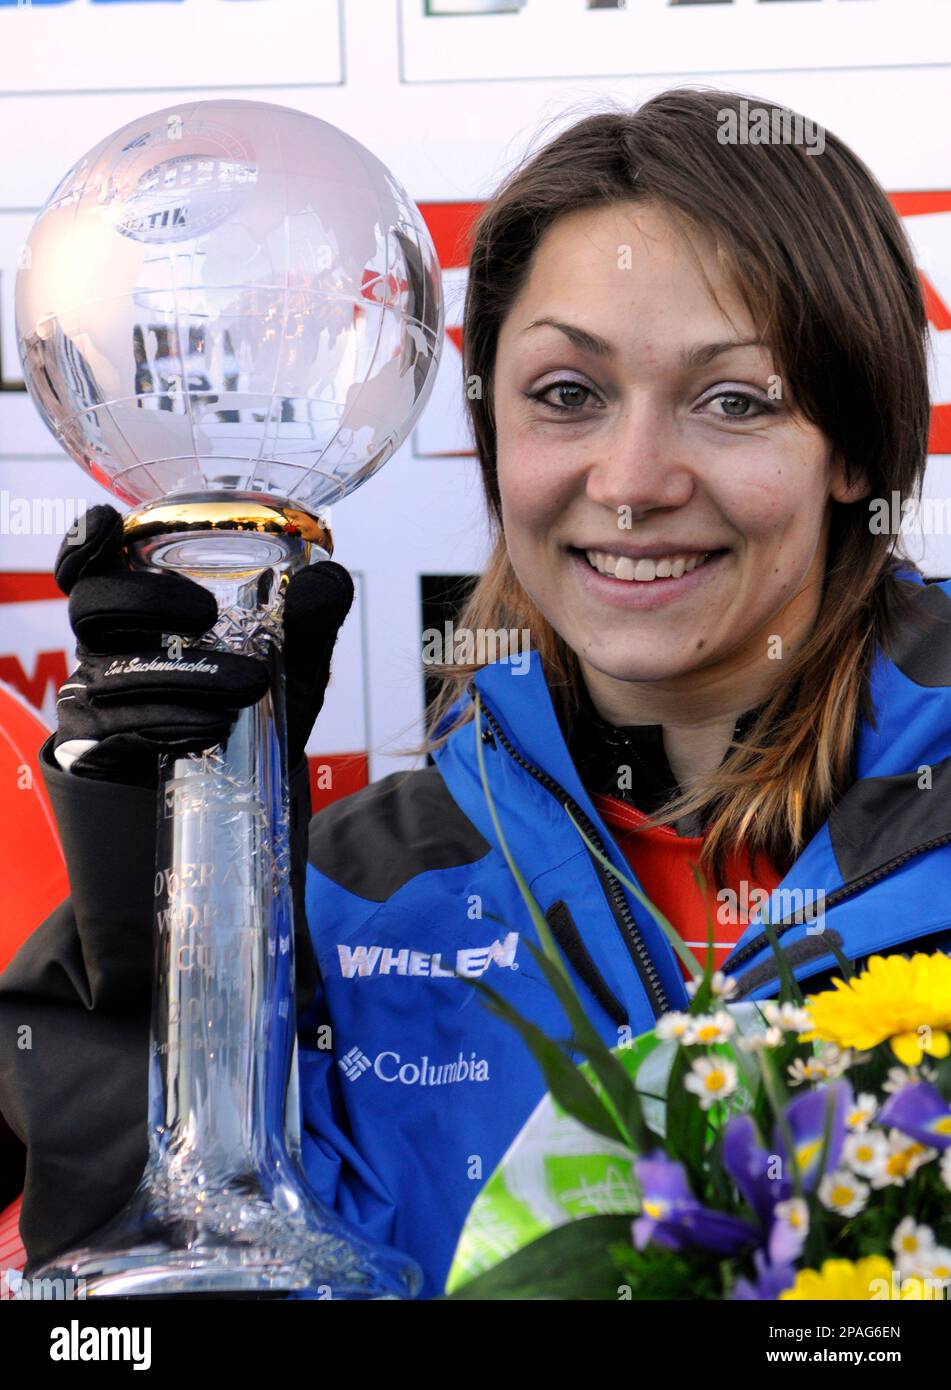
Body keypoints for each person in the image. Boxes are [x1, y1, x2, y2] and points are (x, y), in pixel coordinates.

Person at [3, 87, 951, 1301]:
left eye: (732, 399)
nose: (632, 480)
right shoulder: (340, 910)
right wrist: (160, 913)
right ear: (492, 431)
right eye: (568, 394)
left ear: (856, 448)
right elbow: (134, 1312)